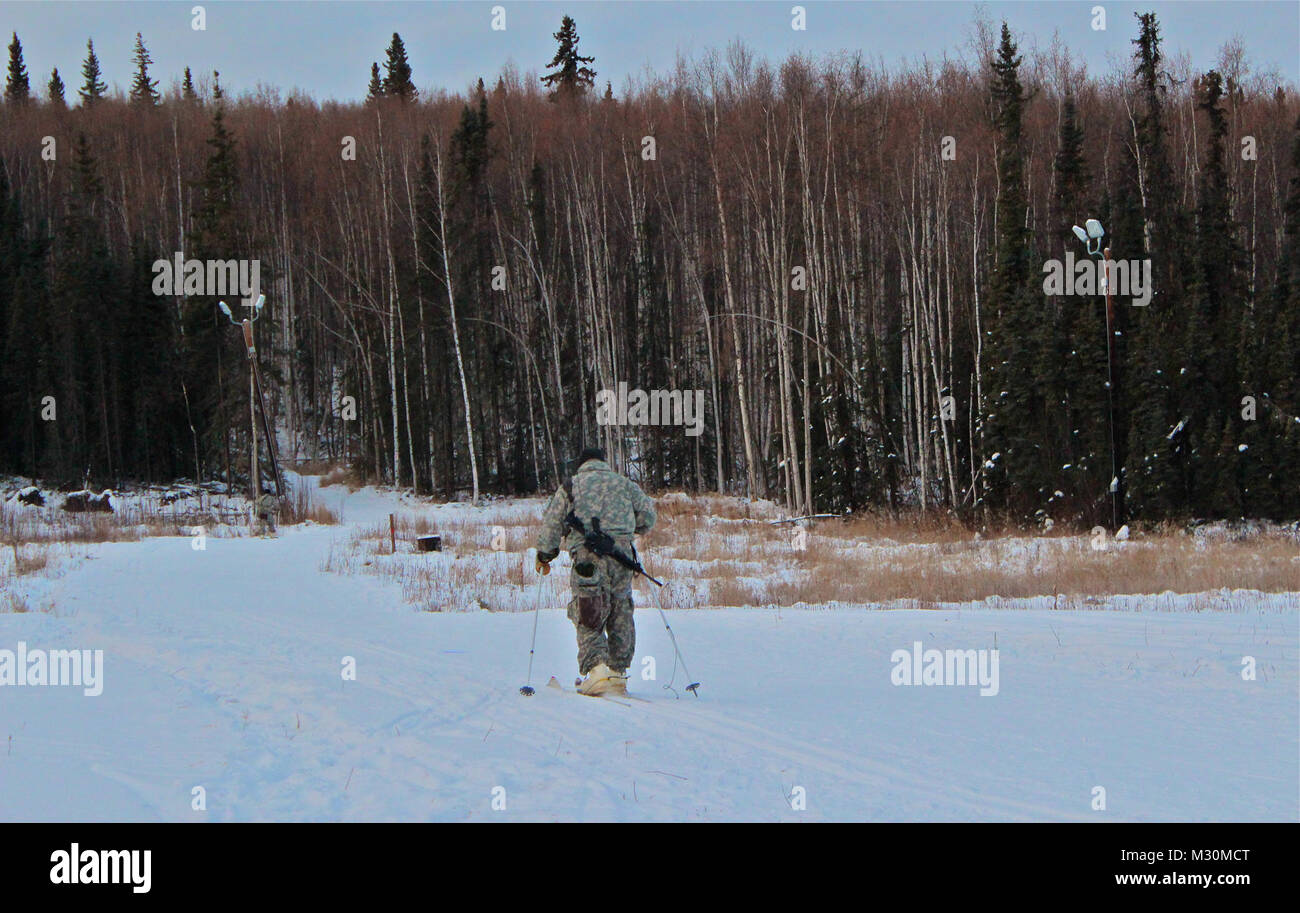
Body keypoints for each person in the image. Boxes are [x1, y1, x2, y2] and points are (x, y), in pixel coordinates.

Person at [534, 447, 656, 696]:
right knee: (620, 608)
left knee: (589, 609)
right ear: (603, 463)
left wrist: (545, 555)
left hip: (587, 559)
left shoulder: (571, 487)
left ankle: (598, 671)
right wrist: (626, 532)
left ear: (581, 464)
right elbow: (647, 517)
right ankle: (618, 673)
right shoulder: (624, 484)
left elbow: (552, 523)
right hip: (622, 557)